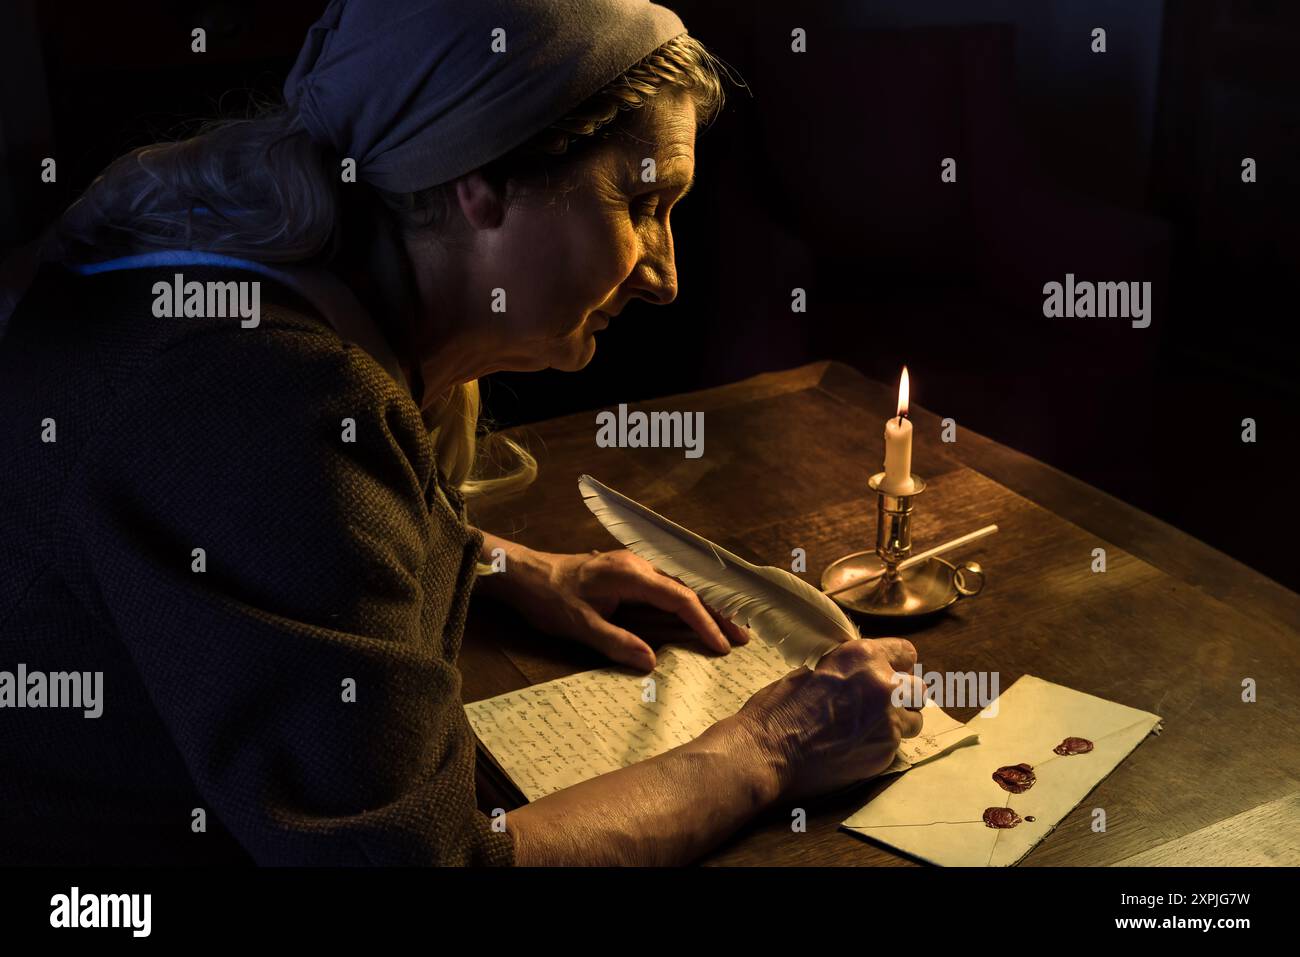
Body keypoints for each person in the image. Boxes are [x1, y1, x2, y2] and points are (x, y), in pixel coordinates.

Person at [0, 0, 925, 866]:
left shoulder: (256, 280)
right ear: (485, 177)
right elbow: (430, 862)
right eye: (643, 204)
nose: (665, 274)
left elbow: (248, 546)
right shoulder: (275, 402)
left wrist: (496, 562)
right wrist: (773, 742)